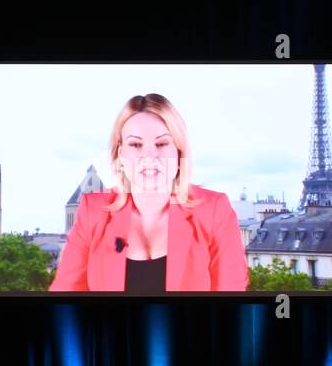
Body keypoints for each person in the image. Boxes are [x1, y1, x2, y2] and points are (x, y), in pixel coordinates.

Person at [49, 93, 249, 293]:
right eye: (135, 144)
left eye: (161, 144)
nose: (149, 155)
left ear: (178, 150)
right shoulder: (92, 212)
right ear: (120, 153)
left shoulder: (215, 211)